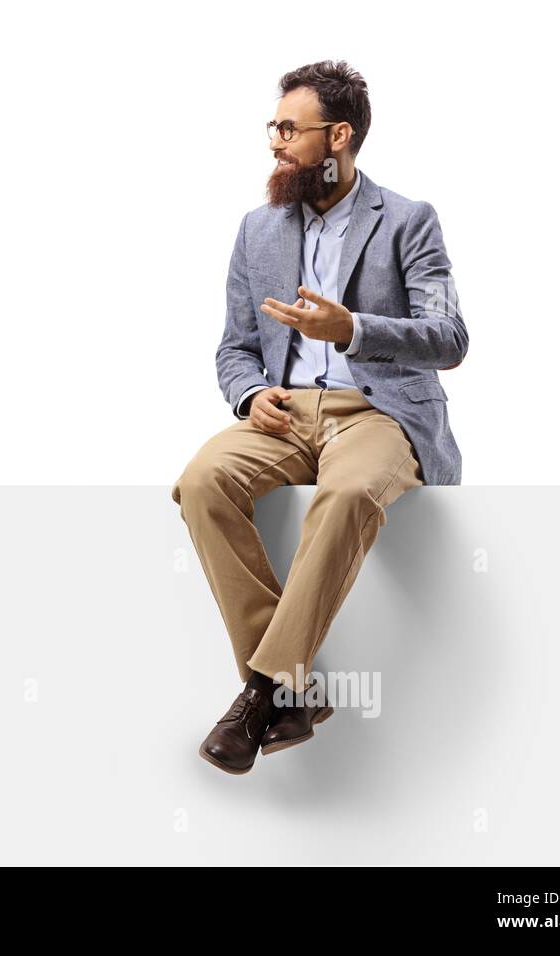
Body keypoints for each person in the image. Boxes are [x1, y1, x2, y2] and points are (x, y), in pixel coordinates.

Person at [171, 60, 467, 775]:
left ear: (338, 136)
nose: (275, 142)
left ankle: (263, 689)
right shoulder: (257, 229)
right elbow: (235, 346)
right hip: (282, 416)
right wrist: (249, 395)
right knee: (201, 482)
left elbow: (449, 338)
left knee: (347, 495)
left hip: (377, 414)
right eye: (272, 127)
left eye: (288, 129)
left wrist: (354, 330)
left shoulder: (407, 220)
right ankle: (292, 688)